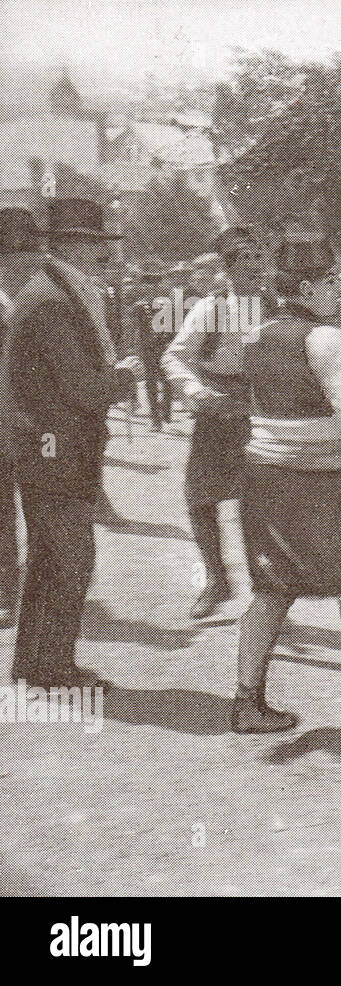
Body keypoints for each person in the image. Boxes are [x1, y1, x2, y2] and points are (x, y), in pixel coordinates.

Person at [231, 237, 341, 733]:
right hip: (321, 483)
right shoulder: (328, 338)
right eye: (331, 282)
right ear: (308, 288)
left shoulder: (254, 333)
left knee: (271, 590)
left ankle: (247, 701)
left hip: (265, 478)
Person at [0, 198, 144, 689]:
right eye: (93, 246)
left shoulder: (53, 291)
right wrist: (124, 377)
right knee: (69, 563)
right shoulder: (54, 302)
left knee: (48, 561)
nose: (99, 256)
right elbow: (84, 389)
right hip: (54, 449)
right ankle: (53, 667)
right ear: (70, 247)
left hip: (50, 446)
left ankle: (35, 666)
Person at [162, 227, 270, 620]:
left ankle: (266, 592)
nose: (256, 268)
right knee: (201, 497)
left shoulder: (279, 305)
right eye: (246, 260)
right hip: (218, 413)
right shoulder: (212, 309)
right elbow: (175, 357)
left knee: (258, 504)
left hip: (265, 414)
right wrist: (195, 391)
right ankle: (217, 580)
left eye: (260, 258)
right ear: (229, 268)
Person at [0, 207, 47, 629]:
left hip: (35, 423)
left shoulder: (42, 296)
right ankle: (7, 591)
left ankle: (34, 590)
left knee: (43, 508)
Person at [130, 260, 176, 430]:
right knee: (150, 383)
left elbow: (173, 327)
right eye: (148, 284)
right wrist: (137, 348)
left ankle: (166, 409)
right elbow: (135, 328)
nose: (151, 288)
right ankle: (155, 418)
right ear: (143, 287)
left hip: (164, 347)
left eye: (154, 284)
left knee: (167, 380)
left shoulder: (168, 305)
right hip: (148, 348)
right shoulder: (140, 307)